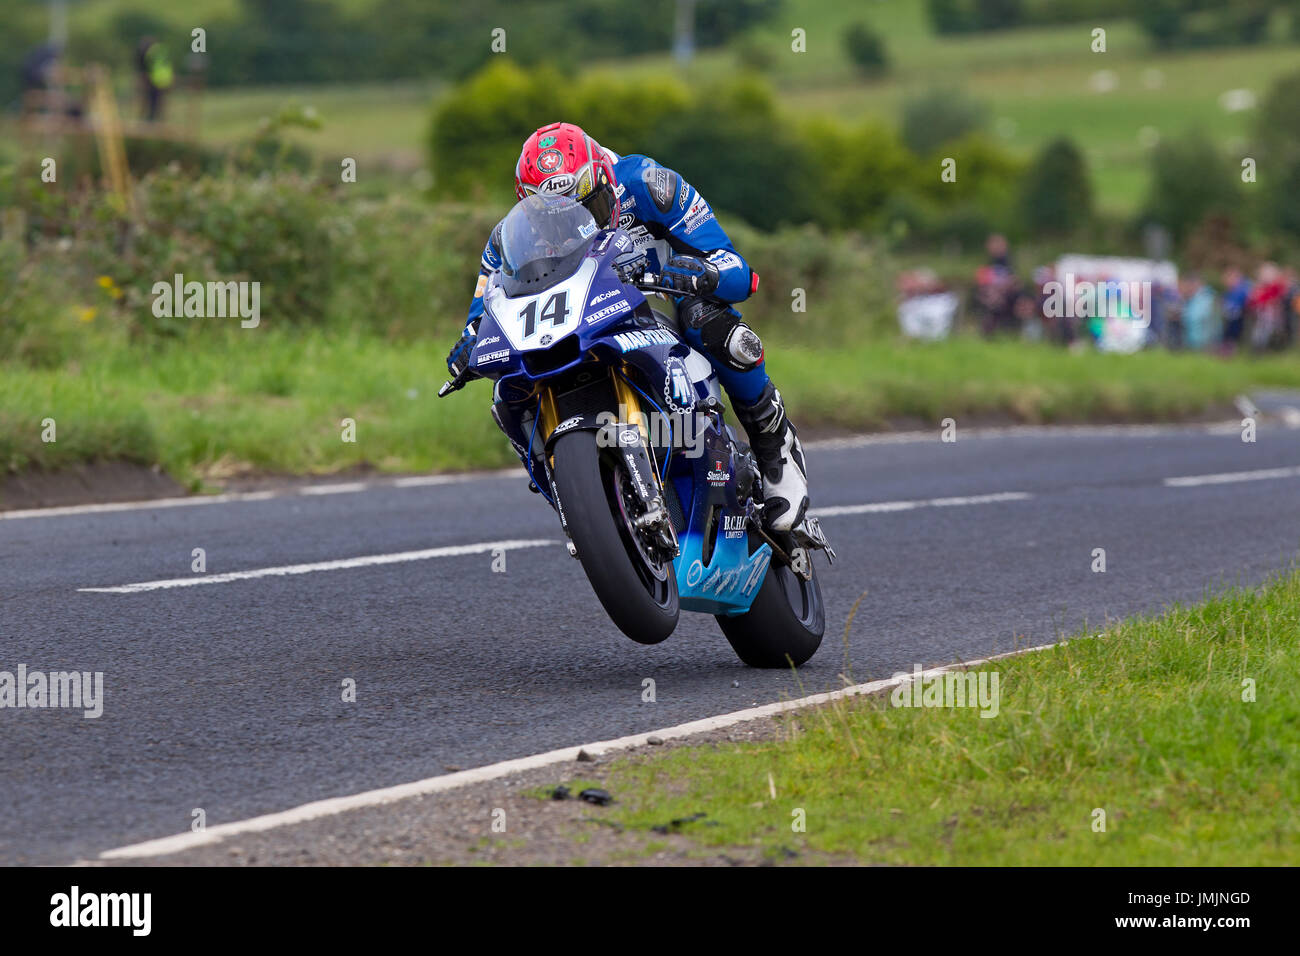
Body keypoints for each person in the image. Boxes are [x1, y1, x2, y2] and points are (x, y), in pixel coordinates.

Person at [445, 122, 809, 531]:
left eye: (590, 206)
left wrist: (703, 274)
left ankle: (773, 442)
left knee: (708, 323)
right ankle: (571, 500)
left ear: (605, 178)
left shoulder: (650, 184)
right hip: (577, 321)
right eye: (558, 219)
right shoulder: (506, 240)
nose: (581, 224)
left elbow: (736, 267)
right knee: (506, 389)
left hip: (660, 302)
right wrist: (469, 343)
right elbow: (483, 309)